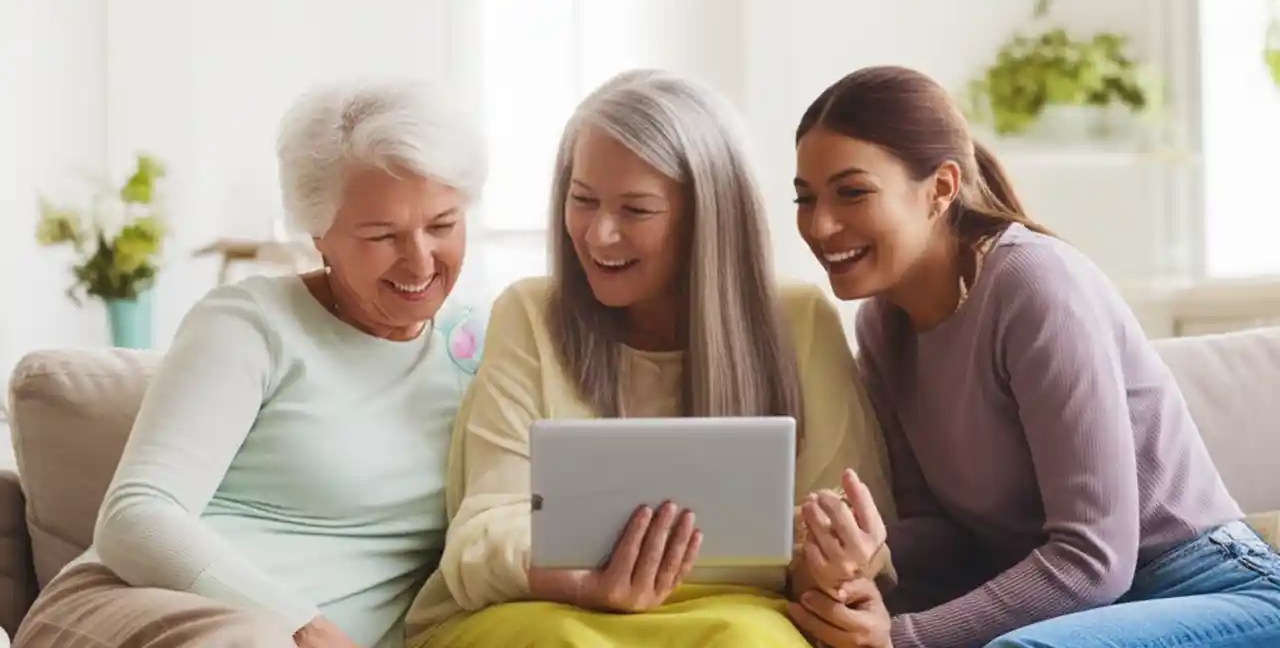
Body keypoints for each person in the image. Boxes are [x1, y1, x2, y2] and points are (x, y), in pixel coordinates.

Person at [783, 65, 1280, 648]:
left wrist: (902, 639)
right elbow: (947, 535)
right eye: (805, 197)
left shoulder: (1033, 283)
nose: (820, 225)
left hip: (1210, 588)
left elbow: (1094, 556)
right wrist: (866, 553)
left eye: (853, 192)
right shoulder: (884, 326)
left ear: (941, 188)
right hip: (1083, 611)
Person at [402, 69, 895, 648]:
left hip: (734, 616)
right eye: (582, 201)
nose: (599, 235)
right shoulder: (530, 312)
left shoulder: (801, 319)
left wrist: (837, 565)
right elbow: (480, 537)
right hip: (545, 609)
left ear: (705, 220)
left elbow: (838, 531)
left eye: (636, 211)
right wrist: (588, 583)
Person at [13, 80, 489, 648]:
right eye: (381, 234)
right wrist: (297, 625)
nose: (420, 259)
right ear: (320, 235)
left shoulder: (482, 347)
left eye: (442, 225)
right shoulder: (251, 324)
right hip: (140, 608)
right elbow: (135, 515)